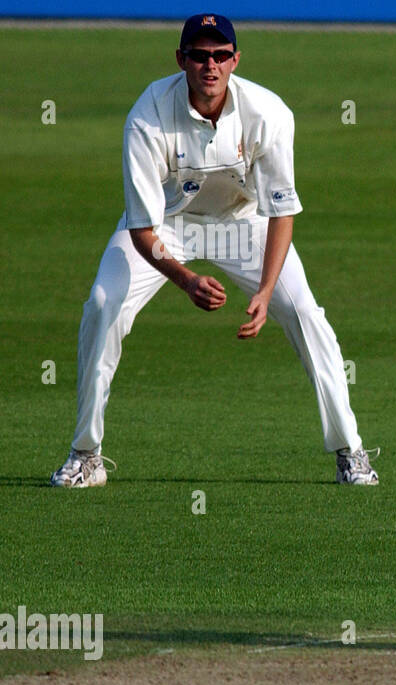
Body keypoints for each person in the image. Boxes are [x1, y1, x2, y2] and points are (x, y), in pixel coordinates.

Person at [50, 14, 378, 487]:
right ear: (181, 60)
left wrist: (266, 292)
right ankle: (86, 454)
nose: (211, 65)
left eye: (221, 56)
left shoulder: (268, 113)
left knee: (305, 312)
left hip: (243, 225)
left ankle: (350, 451)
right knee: (103, 304)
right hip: (166, 225)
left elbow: (281, 211)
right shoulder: (148, 114)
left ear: (235, 61)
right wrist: (185, 280)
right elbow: (142, 227)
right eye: (200, 55)